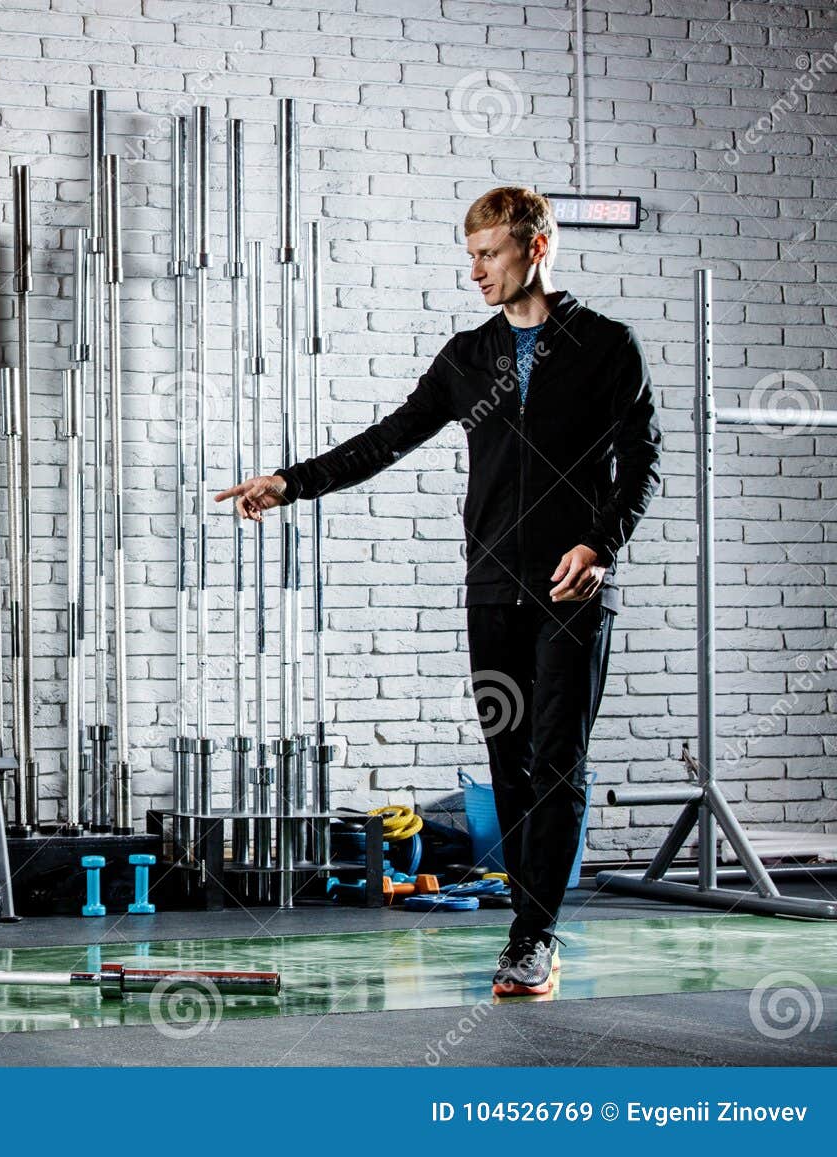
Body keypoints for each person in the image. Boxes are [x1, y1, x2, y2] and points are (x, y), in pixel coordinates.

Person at [217, 187, 661, 997]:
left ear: (537, 246)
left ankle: (534, 936)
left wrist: (602, 544)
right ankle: (531, 923)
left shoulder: (606, 347)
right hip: (491, 587)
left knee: (559, 764)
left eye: (490, 254)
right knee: (512, 763)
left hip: (572, 590)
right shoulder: (468, 358)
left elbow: (641, 462)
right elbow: (387, 439)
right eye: (471, 256)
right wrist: (290, 483)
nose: (477, 271)